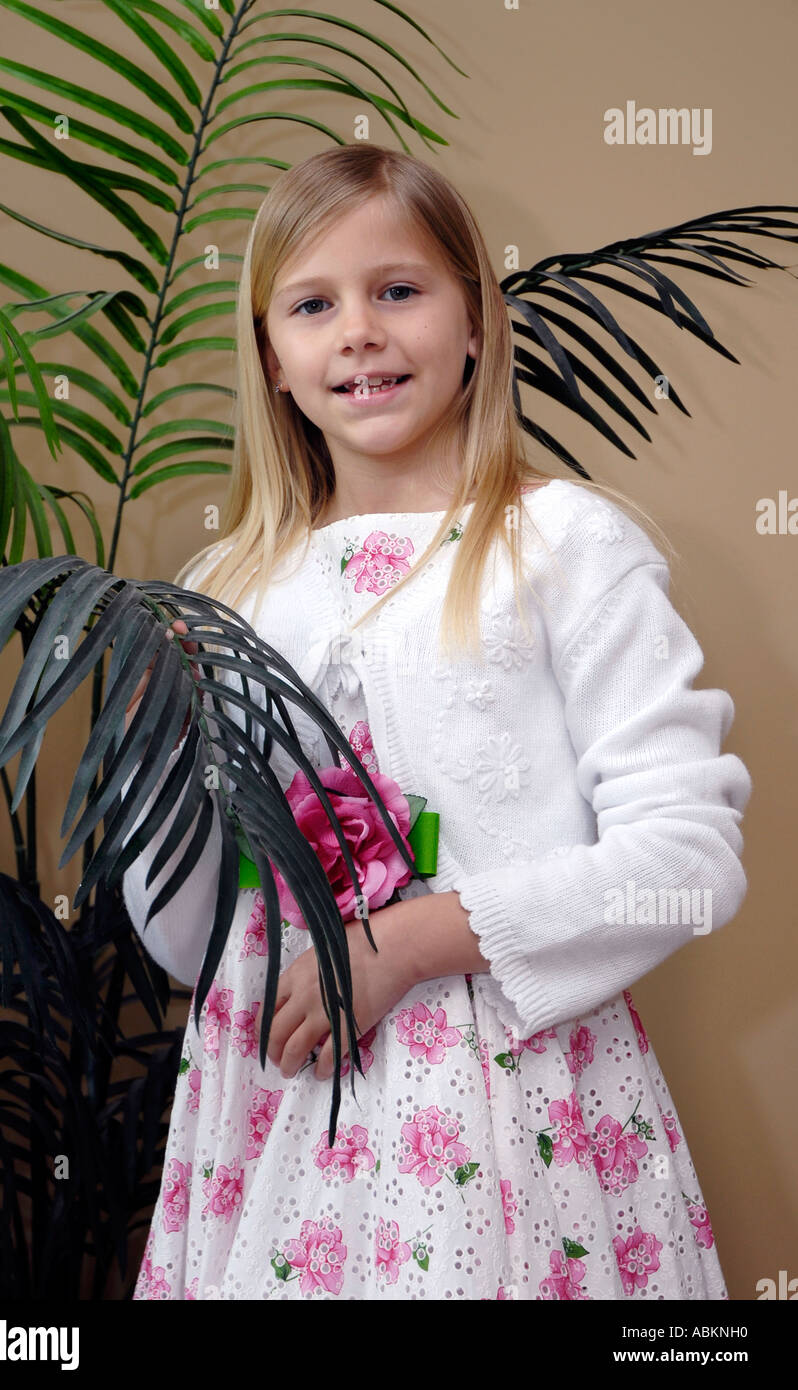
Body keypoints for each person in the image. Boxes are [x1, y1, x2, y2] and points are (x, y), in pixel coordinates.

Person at [120, 145, 751, 1300]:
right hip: (279, 1107)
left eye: (398, 290)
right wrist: (152, 779)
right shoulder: (224, 590)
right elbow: (183, 935)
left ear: (475, 319)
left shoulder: (566, 546)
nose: (358, 330)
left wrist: (412, 939)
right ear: (273, 357)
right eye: (314, 304)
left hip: (516, 1112)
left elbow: (689, 858)